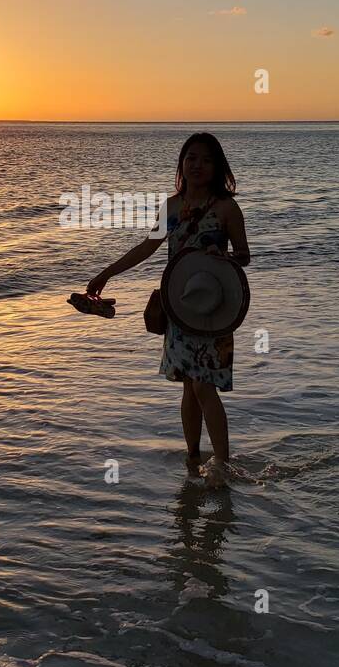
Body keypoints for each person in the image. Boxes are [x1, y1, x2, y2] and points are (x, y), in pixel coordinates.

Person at [86, 133, 250, 487]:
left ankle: (221, 463)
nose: (197, 165)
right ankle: (193, 457)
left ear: (217, 166)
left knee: (204, 387)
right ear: (182, 164)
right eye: (191, 158)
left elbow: (244, 256)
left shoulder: (226, 208)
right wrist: (106, 274)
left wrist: (224, 256)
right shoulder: (171, 207)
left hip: (214, 309)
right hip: (180, 308)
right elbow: (147, 247)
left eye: (206, 160)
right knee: (188, 388)